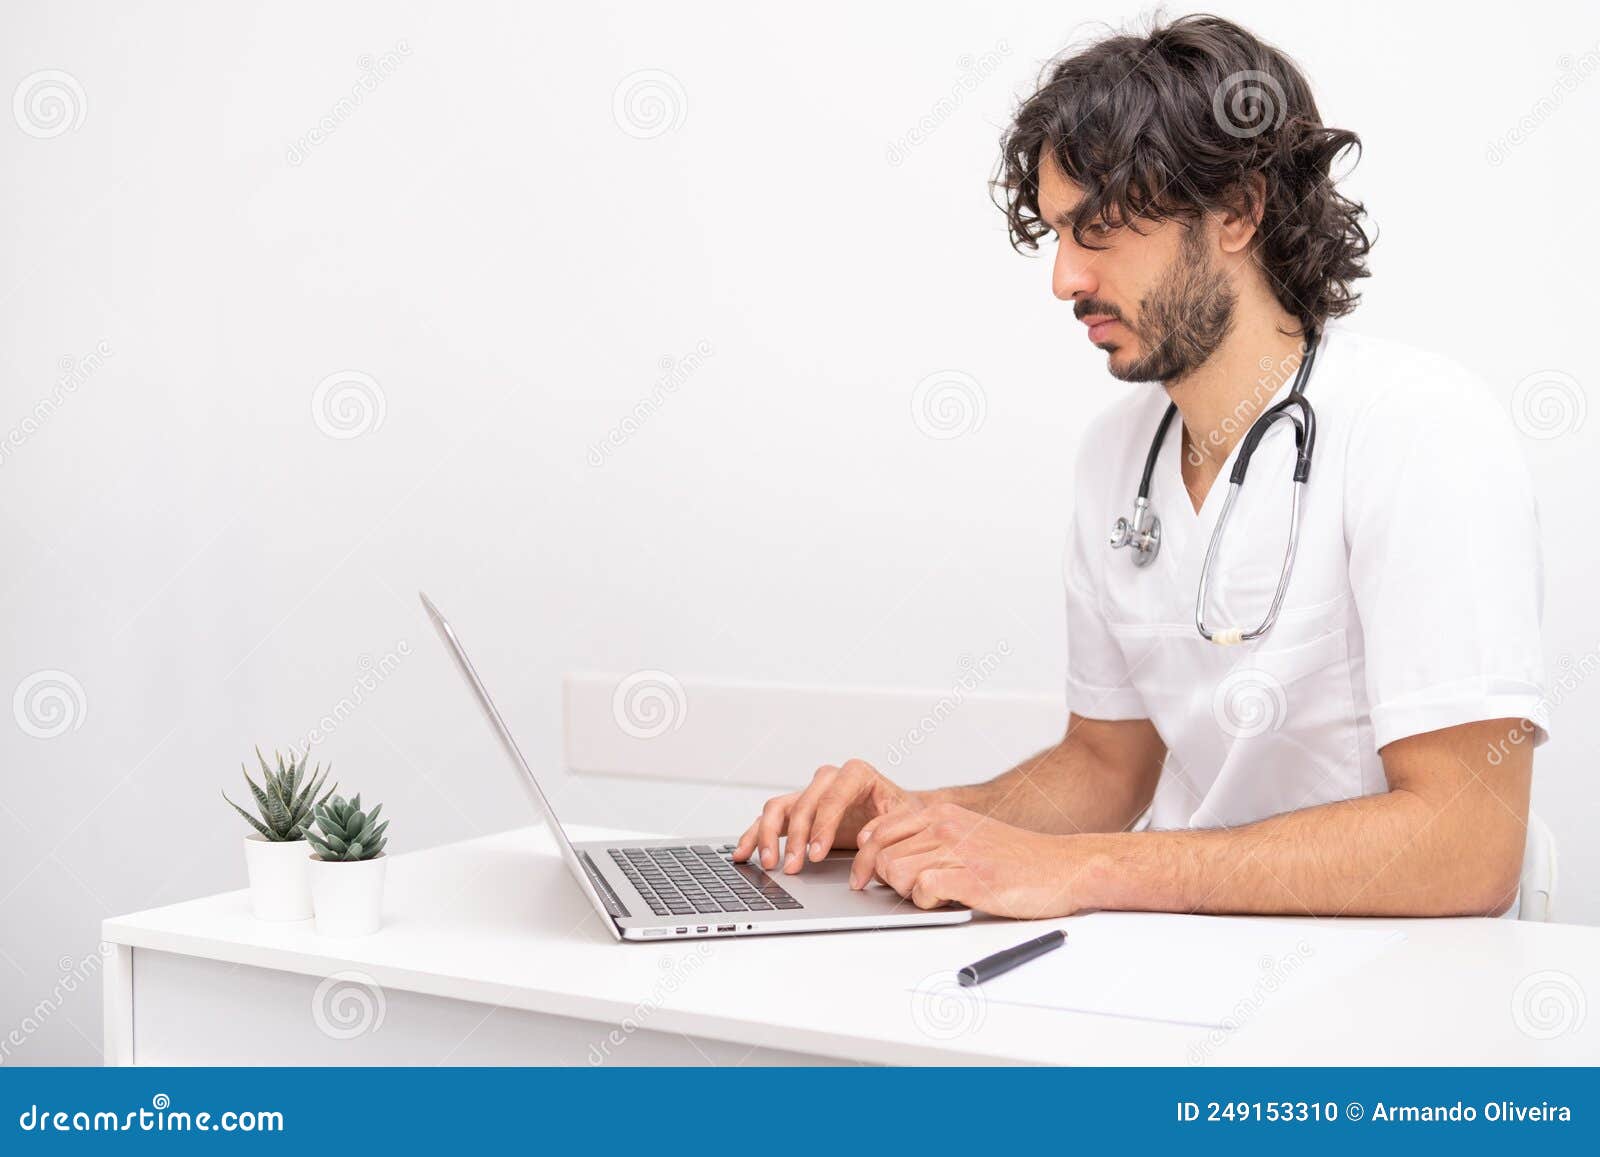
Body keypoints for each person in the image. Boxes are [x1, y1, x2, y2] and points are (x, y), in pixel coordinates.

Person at [734, 14, 1548, 919]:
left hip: (1379, 991)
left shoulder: (1419, 429)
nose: (1063, 279)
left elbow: (1467, 847)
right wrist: (919, 818)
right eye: (1054, 234)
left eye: (1098, 230)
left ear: (1238, 210)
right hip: (1175, 956)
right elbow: (1106, 765)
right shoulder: (1116, 455)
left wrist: (1087, 871)